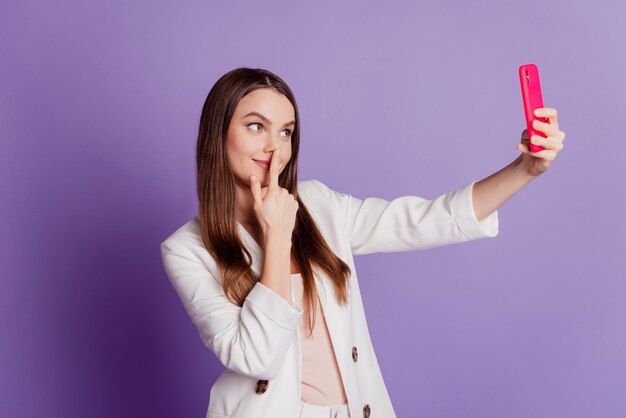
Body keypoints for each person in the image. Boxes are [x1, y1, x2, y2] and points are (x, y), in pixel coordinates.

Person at [160, 67, 565, 418]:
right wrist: (278, 236)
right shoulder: (187, 249)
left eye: (285, 132)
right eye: (255, 126)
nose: (275, 147)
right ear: (218, 133)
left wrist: (525, 169)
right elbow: (257, 357)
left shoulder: (318, 204)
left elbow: (423, 221)